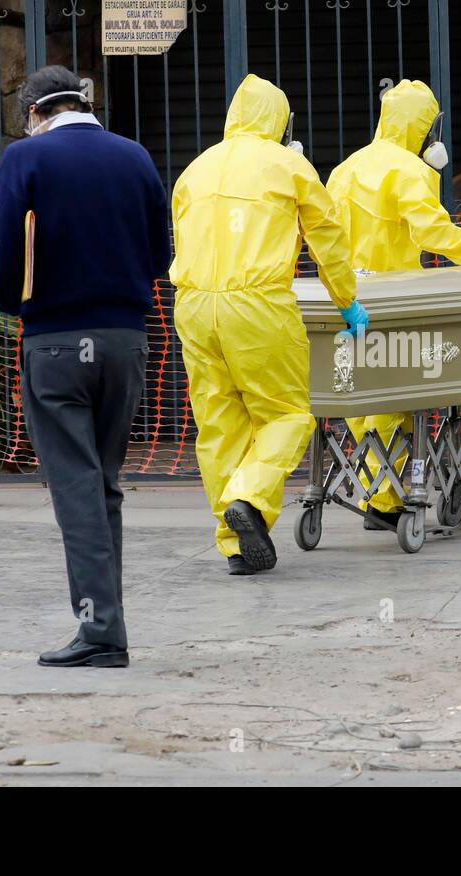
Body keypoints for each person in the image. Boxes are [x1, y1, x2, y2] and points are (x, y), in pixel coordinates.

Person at [0, 66, 172, 668]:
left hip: (55, 341)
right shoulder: (135, 156)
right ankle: (106, 623)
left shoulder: (24, 160)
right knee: (105, 483)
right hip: (124, 339)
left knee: (76, 487)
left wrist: (20, 305)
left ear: (34, 111)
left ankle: (99, 632)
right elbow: (161, 252)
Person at [171, 74, 364, 576]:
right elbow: (328, 236)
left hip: (192, 306)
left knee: (219, 426)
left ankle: (235, 545)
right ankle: (249, 498)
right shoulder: (289, 166)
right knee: (285, 415)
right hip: (256, 306)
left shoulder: (195, 169)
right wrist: (346, 300)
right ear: (281, 121)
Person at [325, 79, 461, 529]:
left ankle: (378, 492)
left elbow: (326, 236)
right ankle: (385, 499)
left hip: (347, 299)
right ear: (425, 127)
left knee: (359, 396)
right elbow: (430, 231)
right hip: (394, 302)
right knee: (396, 398)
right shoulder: (410, 171)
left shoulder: (345, 168)